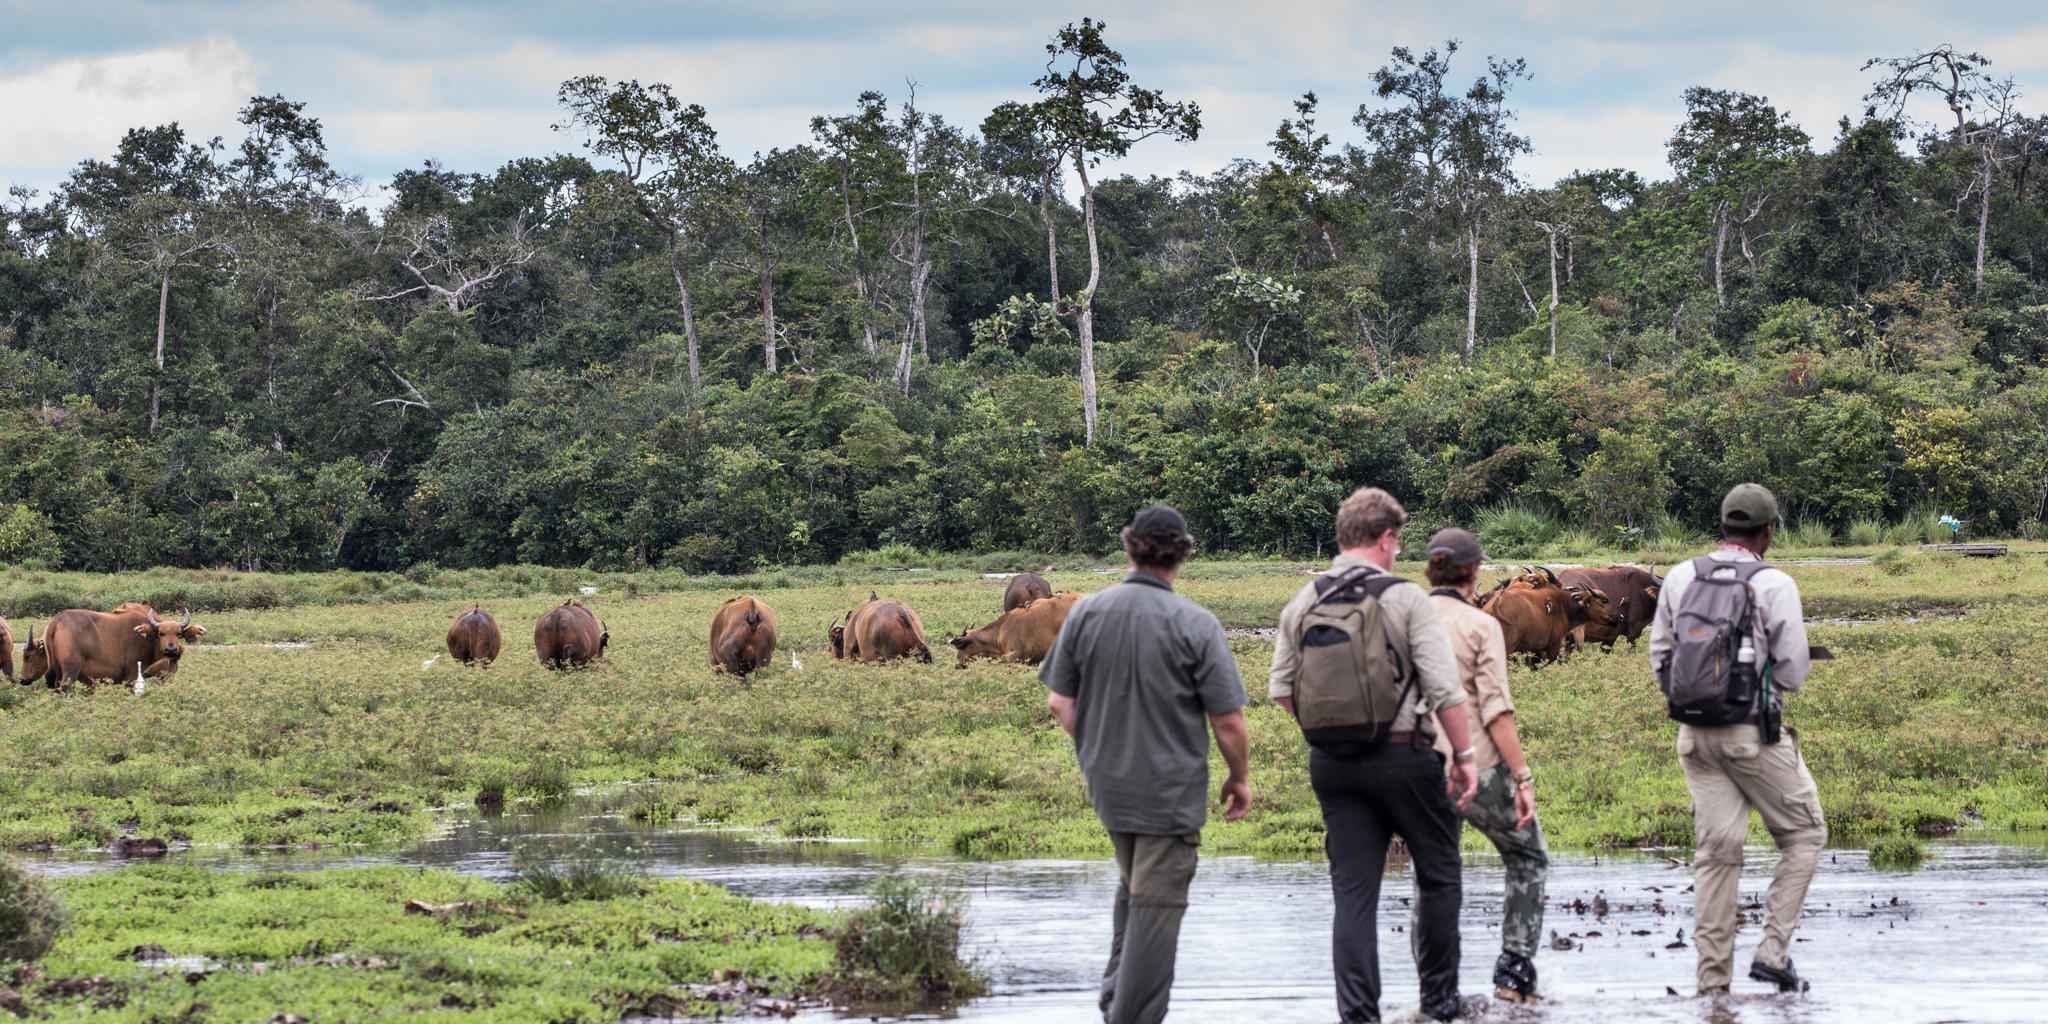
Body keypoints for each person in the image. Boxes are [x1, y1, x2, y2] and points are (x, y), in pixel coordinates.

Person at [1270, 487, 1479, 1024]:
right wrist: (1464, 755)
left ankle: (1358, 1016)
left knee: (1353, 897)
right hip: (1406, 755)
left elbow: (1283, 691)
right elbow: (1445, 689)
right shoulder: (1407, 597)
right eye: (1398, 541)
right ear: (1386, 539)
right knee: (1439, 875)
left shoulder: (1302, 600)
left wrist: (1332, 732)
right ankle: (1437, 1004)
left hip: (1334, 767)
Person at [1040, 503, 1251, 1024]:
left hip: (1108, 786)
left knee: (1134, 889)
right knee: (1157, 911)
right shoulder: (1195, 623)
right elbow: (1228, 720)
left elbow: (1059, 703)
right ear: (1182, 554)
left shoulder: (1086, 612)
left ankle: (1114, 1000)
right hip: (1169, 794)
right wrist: (1239, 777)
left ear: (1130, 546)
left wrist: (1095, 751)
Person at [1648, 483, 1823, 996]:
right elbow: (1791, 674)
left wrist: (1698, 698)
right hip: (1751, 736)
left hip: (1693, 738)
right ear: (1768, 531)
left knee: (1717, 855)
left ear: (1722, 525)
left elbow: (1661, 654)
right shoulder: (1774, 583)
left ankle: (1712, 984)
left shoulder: (1682, 576)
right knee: (1805, 835)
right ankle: (1772, 953)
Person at [1423, 527, 1548, 1003]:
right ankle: (1513, 973)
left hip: (1420, 766)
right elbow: (1496, 711)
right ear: (1474, 573)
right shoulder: (1481, 625)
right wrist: (1522, 776)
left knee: (1432, 873)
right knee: (1528, 855)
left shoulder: (1406, 618)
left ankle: (1436, 990)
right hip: (1480, 765)